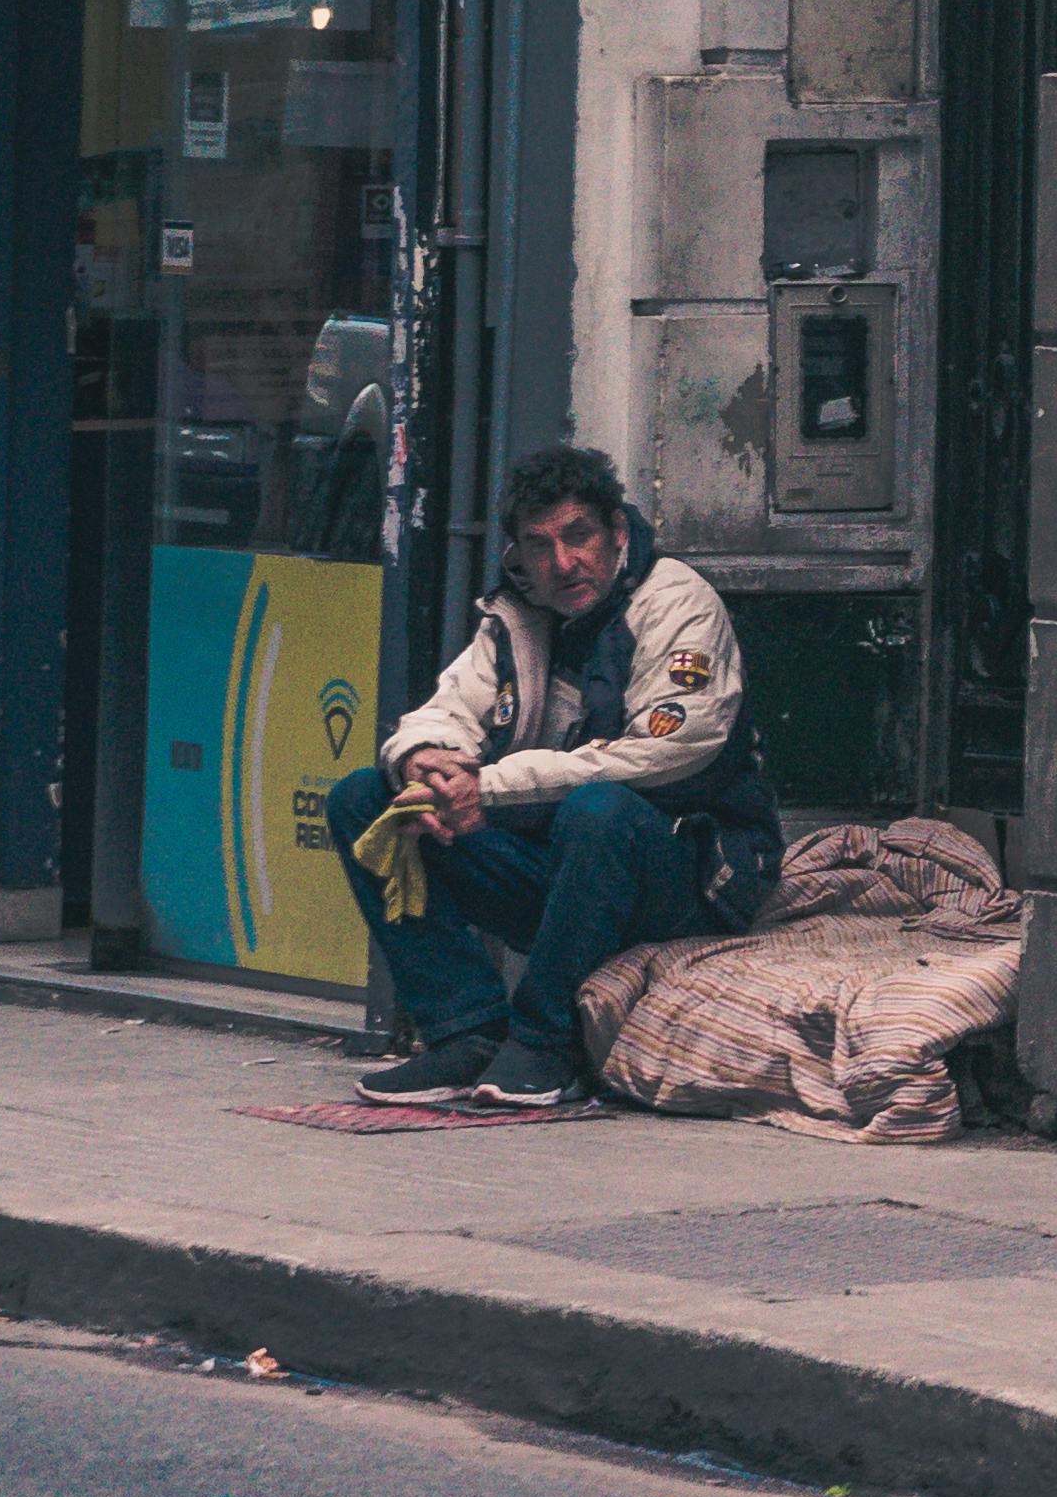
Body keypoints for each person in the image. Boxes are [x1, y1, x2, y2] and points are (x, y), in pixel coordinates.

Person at [330, 444, 785, 1111]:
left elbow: (667, 751)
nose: (564, 563)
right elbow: (450, 706)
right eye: (541, 546)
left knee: (599, 809)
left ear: (617, 531)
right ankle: (467, 1032)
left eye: (579, 537)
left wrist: (489, 789)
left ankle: (547, 1045)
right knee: (366, 798)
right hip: (563, 870)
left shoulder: (675, 601)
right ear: (519, 553)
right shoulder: (521, 609)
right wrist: (426, 759)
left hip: (691, 874)